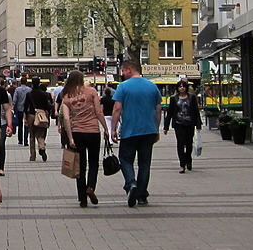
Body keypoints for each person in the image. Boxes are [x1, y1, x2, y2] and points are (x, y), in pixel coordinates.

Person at [111, 59, 162, 207]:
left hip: (130, 130)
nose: (122, 74)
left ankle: (131, 183)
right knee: (144, 163)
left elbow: (117, 108)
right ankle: (141, 195)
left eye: (122, 70)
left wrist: (113, 129)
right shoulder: (152, 87)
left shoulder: (123, 87)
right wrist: (156, 128)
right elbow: (158, 109)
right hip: (149, 130)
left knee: (126, 160)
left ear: (129, 70)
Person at [59, 70, 110, 208]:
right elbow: (99, 112)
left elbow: (66, 119)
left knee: (79, 166)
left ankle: (82, 199)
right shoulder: (91, 91)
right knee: (93, 163)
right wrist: (105, 128)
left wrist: (70, 138)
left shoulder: (66, 97)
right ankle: (91, 187)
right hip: (93, 131)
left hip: (77, 133)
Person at [163, 80, 203, 173]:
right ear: (177, 88)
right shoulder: (174, 99)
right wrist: (166, 127)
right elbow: (170, 113)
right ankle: (182, 164)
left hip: (189, 124)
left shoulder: (191, 98)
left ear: (186, 88)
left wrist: (198, 124)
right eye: (180, 86)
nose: (182, 88)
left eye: (183, 86)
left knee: (189, 143)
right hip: (178, 124)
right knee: (180, 143)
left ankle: (188, 159)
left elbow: (196, 111)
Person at [24, 79, 54, 162]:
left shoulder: (29, 94)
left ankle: (32, 155)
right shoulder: (44, 94)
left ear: (32, 84)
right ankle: (42, 147)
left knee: (32, 136)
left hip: (31, 115)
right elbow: (47, 107)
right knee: (40, 134)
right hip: (41, 115)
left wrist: (25, 118)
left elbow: (26, 106)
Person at [12, 77, 31, 145]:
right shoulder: (29, 90)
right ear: (26, 82)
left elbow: (15, 99)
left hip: (19, 109)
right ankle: (26, 141)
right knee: (26, 125)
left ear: (20, 82)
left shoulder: (17, 89)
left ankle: (20, 140)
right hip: (27, 110)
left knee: (20, 125)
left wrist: (13, 107)